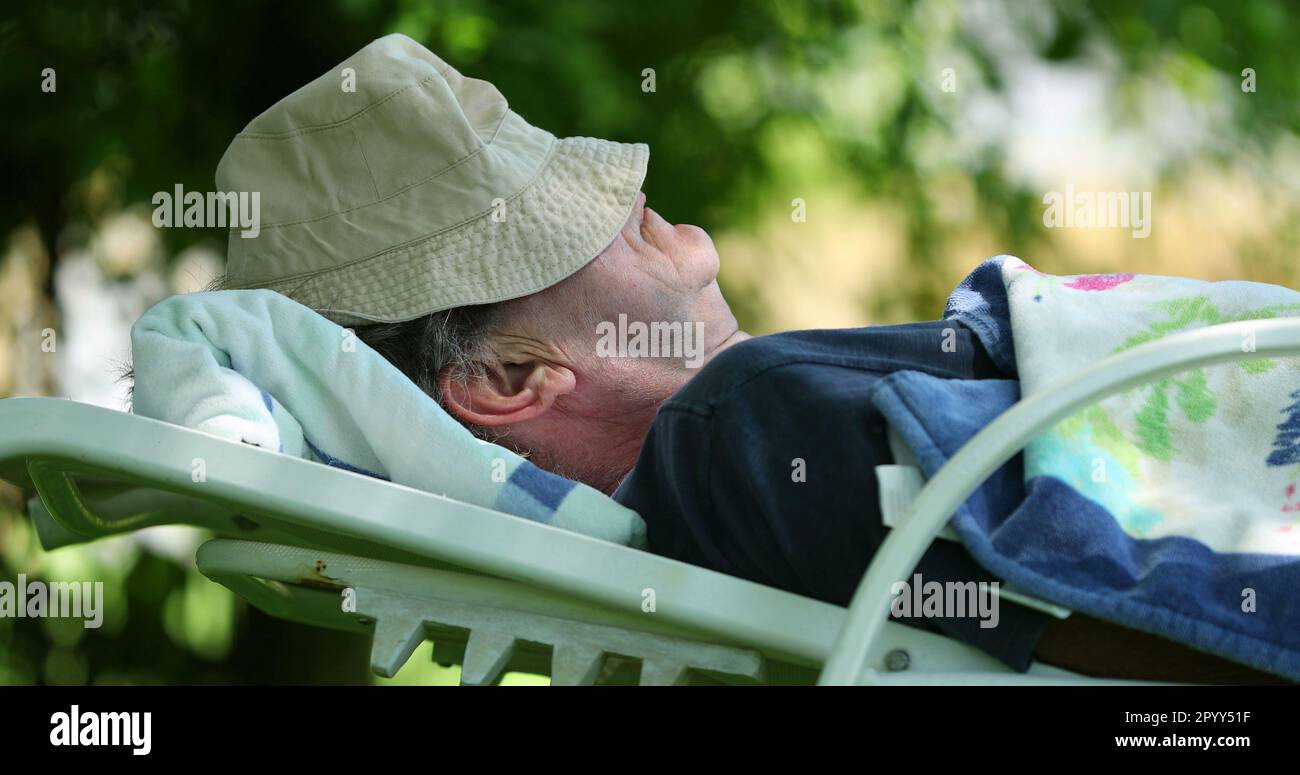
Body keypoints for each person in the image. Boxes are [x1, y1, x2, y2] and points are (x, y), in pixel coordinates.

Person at [214, 34, 1282, 682]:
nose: (636, 199)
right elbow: (1174, 636)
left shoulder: (739, 471)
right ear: (506, 379)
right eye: (554, 224)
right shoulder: (744, 428)